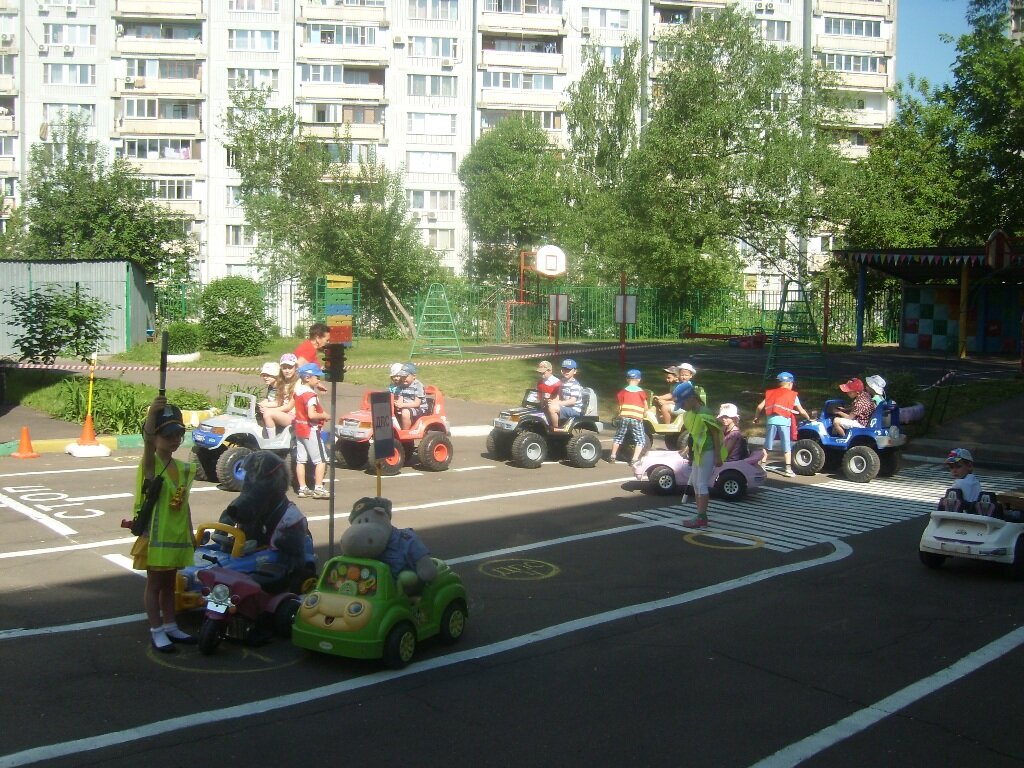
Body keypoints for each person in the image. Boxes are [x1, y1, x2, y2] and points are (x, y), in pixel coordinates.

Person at [130, 396, 197, 653]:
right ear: (155, 437)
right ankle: (157, 630)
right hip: (155, 537)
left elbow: (185, 503)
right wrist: (151, 416)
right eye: (167, 435)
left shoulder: (181, 467)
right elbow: (147, 446)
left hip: (175, 537)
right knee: (155, 584)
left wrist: (190, 532)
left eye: (178, 434)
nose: (174, 440)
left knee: (170, 584)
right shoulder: (150, 464)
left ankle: (171, 625)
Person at [673, 382, 724, 529]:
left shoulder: (704, 413)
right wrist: (688, 449)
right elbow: (695, 435)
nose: (682, 407)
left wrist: (717, 456)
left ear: (690, 399)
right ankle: (700, 514)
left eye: (682, 404)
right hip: (698, 453)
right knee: (695, 483)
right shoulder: (690, 414)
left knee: (701, 484)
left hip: (708, 452)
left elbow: (715, 434)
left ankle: (702, 517)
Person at [752, 371, 810, 476]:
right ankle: (788, 469)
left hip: (771, 422)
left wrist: (756, 417)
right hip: (784, 422)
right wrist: (808, 418)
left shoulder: (771, 393)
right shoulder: (792, 395)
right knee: (786, 445)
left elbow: (760, 406)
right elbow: (801, 410)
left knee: (767, 445)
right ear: (789, 383)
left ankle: (762, 465)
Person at [293, 362, 331, 499]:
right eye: (317, 377)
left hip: (299, 428)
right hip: (310, 429)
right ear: (308, 377)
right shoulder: (310, 395)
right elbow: (312, 414)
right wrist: (325, 416)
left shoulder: (298, 390)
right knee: (321, 460)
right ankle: (319, 488)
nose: (319, 379)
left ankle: (302, 488)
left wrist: (316, 386)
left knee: (301, 460)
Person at [608, 369, 647, 465]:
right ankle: (634, 459)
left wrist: (617, 415)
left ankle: (613, 456)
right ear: (639, 379)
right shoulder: (641, 392)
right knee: (640, 439)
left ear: (627, 379)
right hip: (636, 417)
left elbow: (619, 406)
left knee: (618, 436)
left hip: (624, 416)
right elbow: (645, 405)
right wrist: (644, 413)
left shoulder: (623, 392)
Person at [260, 353, 298, 435]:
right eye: (284, 368)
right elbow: (279, 401)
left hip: (293, 415)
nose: (287, 371)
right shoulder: (282, 383)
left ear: (296, 367)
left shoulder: (297, 384)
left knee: (268, 413)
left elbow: (289, 406)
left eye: (290, 367)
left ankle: (271, 441)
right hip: (283, 413)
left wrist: (270, 410)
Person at [546, 358, 583, 428]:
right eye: (564, 369)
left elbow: (572, 401)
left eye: (568, 370)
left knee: (552, 408)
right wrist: (553, 401)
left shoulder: (575, 385)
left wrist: (558, 403)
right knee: (547, 405)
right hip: (565, 407)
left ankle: (556, 428)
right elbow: (559, 395)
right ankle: (548, 424)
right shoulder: (562, 382)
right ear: (561, 370)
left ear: (575, 371)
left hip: (574, 409)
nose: (566, 371)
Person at [394, 362, 426, 430]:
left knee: (405, 412)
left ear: (414, 376)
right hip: (407, 407)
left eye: (406, 376)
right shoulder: (402, 386)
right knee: (392, 410)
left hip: (420, 409)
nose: (404, 379)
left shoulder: (418, 385)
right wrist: (397, 404)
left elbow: (417, 404)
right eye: (402, 377)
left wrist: (402, 405)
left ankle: (405, 432)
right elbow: (400, 399)